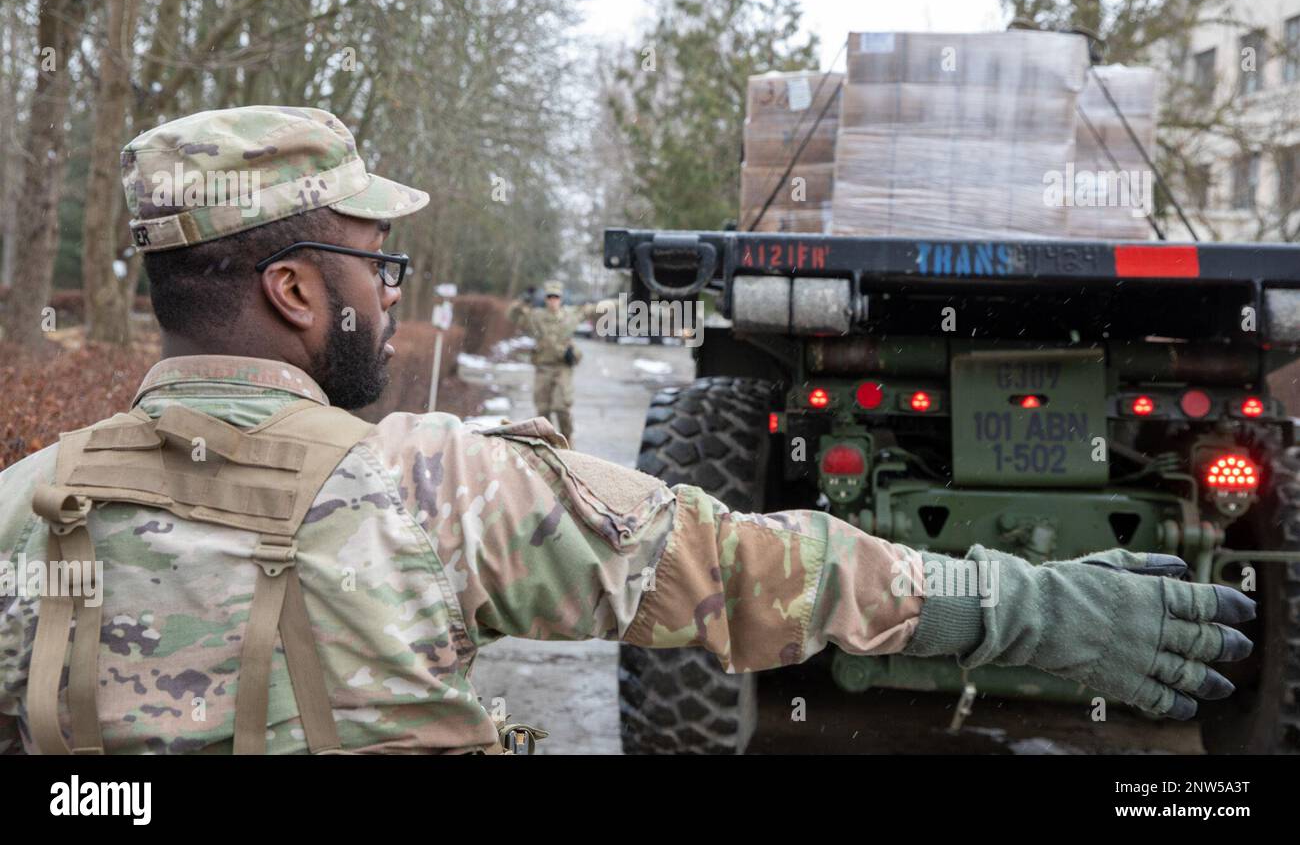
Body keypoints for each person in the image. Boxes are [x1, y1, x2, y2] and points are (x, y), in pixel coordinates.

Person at [0, 105, 1254, 756]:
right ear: (291, 291)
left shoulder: (22, 506)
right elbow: (760, 568)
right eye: (374, 260)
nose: (388, 288)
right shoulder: (440, 486)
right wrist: (1039, 611)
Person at [507, 280, 600, 447]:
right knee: (543, 410)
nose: (553, 300)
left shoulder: (569, 315)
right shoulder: (536, 316)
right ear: (545, 299)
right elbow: (512, 315)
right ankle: (546, 443)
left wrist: (621, 302)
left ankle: (567, 441)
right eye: (549, 297)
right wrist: (522, 300)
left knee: (562, 408)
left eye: (556, 297)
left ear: (561, 298)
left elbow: (591, 310)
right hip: (543, 368)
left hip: (562, 368)